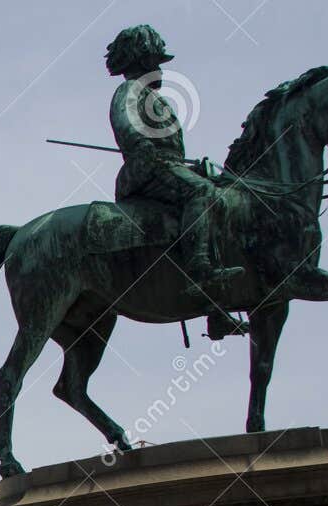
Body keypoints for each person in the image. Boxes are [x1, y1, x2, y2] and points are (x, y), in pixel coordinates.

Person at [105, 23, 246, 339]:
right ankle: (199, 269)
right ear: (141, 64)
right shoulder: (130, 92)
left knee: (217, 193)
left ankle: (216, 308)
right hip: (145, 170)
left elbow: (172, 151)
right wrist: (139, 144)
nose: (160, 70)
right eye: (155, 63)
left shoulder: (158, 100)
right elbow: (125, 124)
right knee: (202, 191)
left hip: (166, 168)